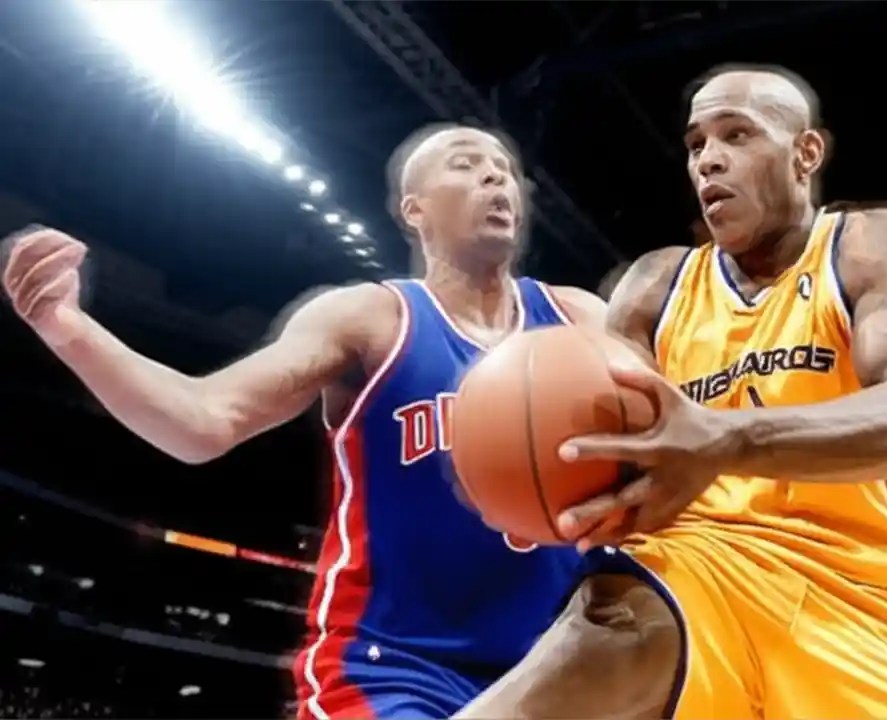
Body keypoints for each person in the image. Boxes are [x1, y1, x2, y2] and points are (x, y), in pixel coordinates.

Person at [1, 124, 607, 719]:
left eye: (502, 167)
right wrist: (68, 328)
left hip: (562, 670)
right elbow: (204, 421)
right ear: (414, 210)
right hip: (393, 670)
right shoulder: (371, 319)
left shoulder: (582, 320)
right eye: (465, 162)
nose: (494, 174)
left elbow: (676, 459)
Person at [456, 65, 887, 719]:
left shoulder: (869, 246)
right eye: (696, 145)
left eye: (736, 135)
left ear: (805, 154)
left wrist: (726, 439)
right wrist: (535, 479)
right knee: (607, 627)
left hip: (854, 600)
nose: (709, 162)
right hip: (697, 570)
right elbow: (614, 454)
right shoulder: (654, 286)